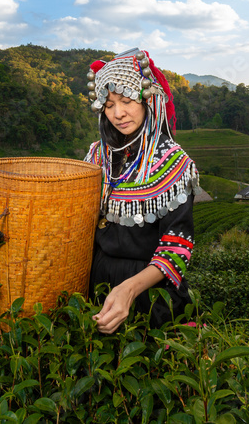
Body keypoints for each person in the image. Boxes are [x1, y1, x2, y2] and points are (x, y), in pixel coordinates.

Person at [83, 48, 197, 334]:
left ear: (149, 101)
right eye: (108, 105)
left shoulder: (173, 162)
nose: (118, 113)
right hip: (95, 286)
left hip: (151, 295)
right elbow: (68, 215)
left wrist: (128, 291)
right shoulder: (97, 157)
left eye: (126, 100)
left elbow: (176, 250)